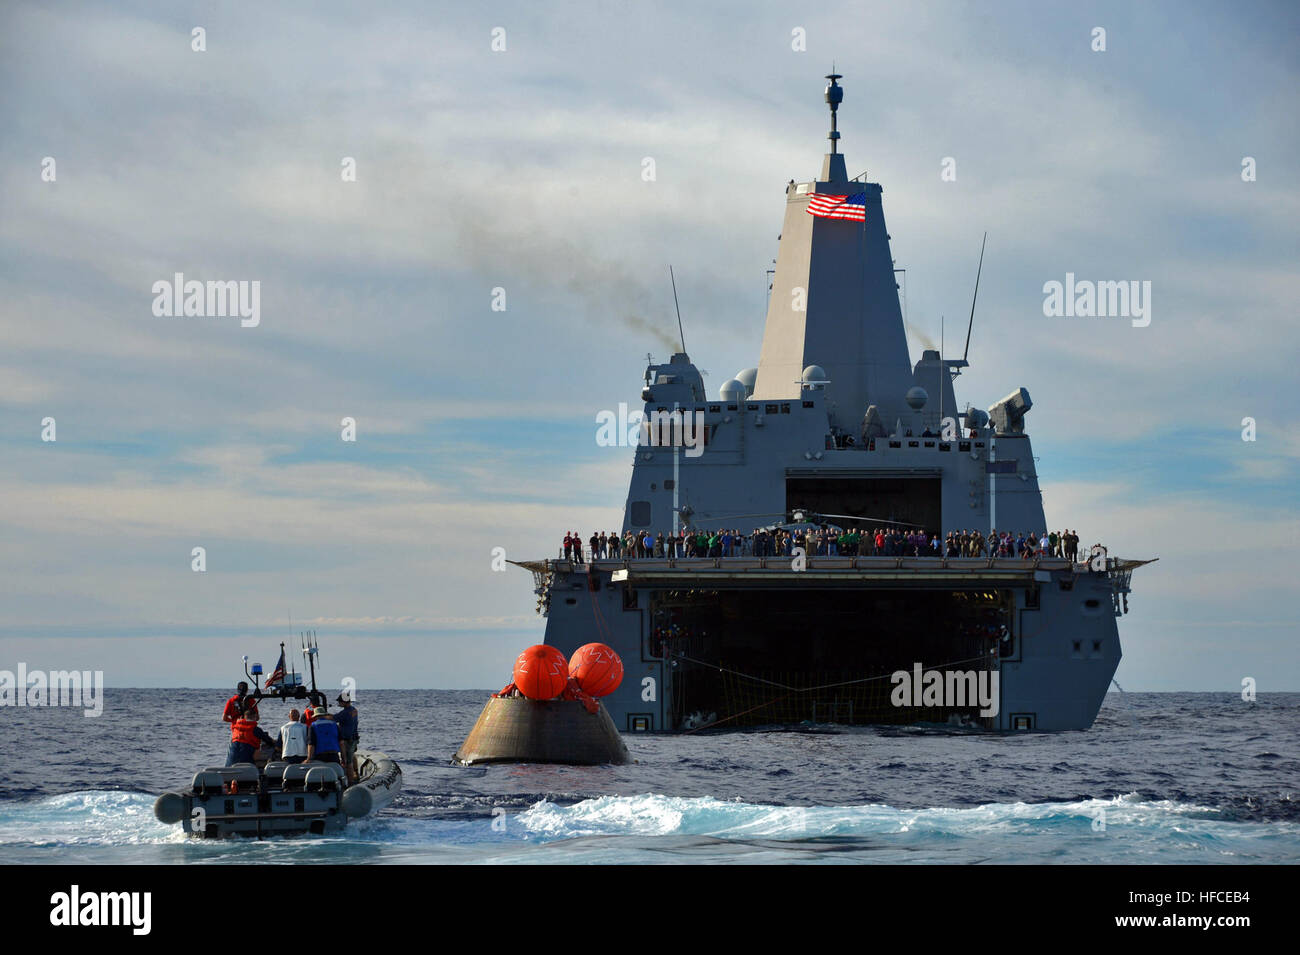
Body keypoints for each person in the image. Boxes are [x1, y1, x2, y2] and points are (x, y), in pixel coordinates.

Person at [334, 694, 360, 783]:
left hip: (347, 740)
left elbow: (333, 718)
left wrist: (324, 716)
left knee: (348, 762)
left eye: (340, 701)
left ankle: (351, 782)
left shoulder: (345, 713)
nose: (339, 703)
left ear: (344, 702)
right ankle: (356, 773)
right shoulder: (354, 710)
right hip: (354, 738)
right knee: (352, 755)